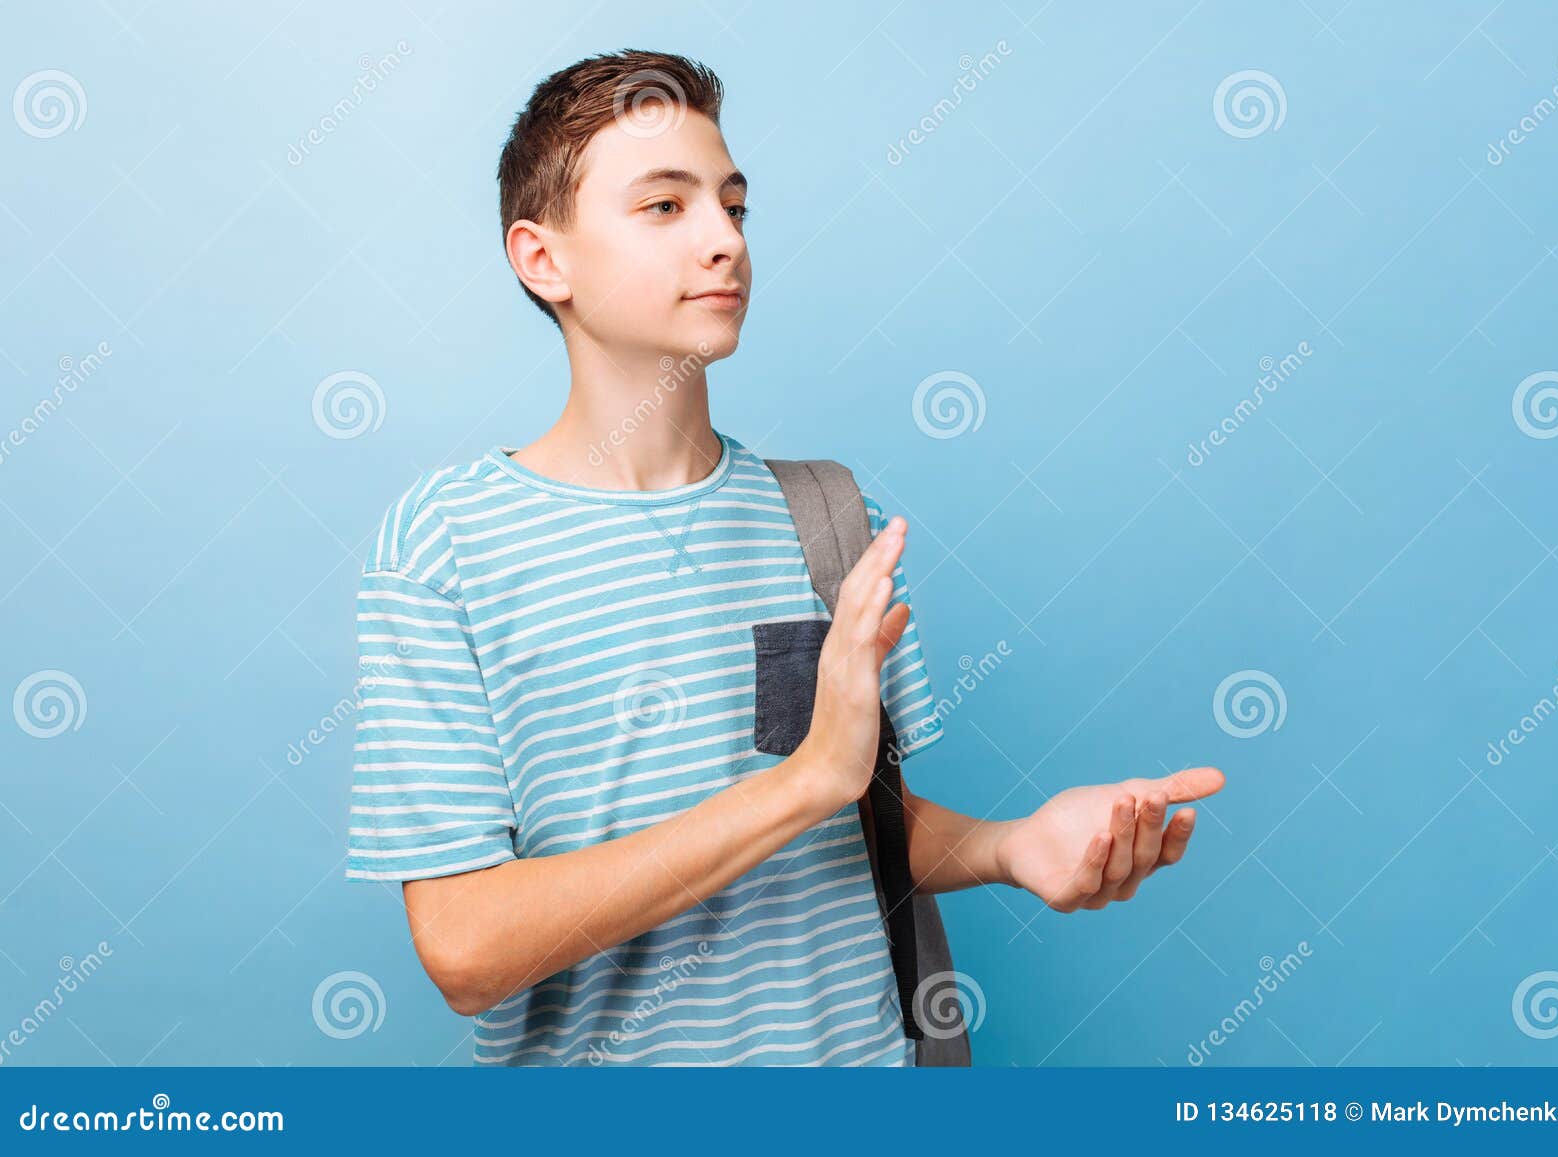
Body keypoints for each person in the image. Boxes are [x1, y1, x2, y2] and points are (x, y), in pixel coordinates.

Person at [344, 48, 1225, 1066]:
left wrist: (1009, 845)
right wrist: (802, 781)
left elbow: (856, 821)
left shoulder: (833, 516)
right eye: (664, 208)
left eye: (733, 205)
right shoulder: (446, 545)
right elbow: (465, 948)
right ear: (544, 259)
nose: (724, 241)